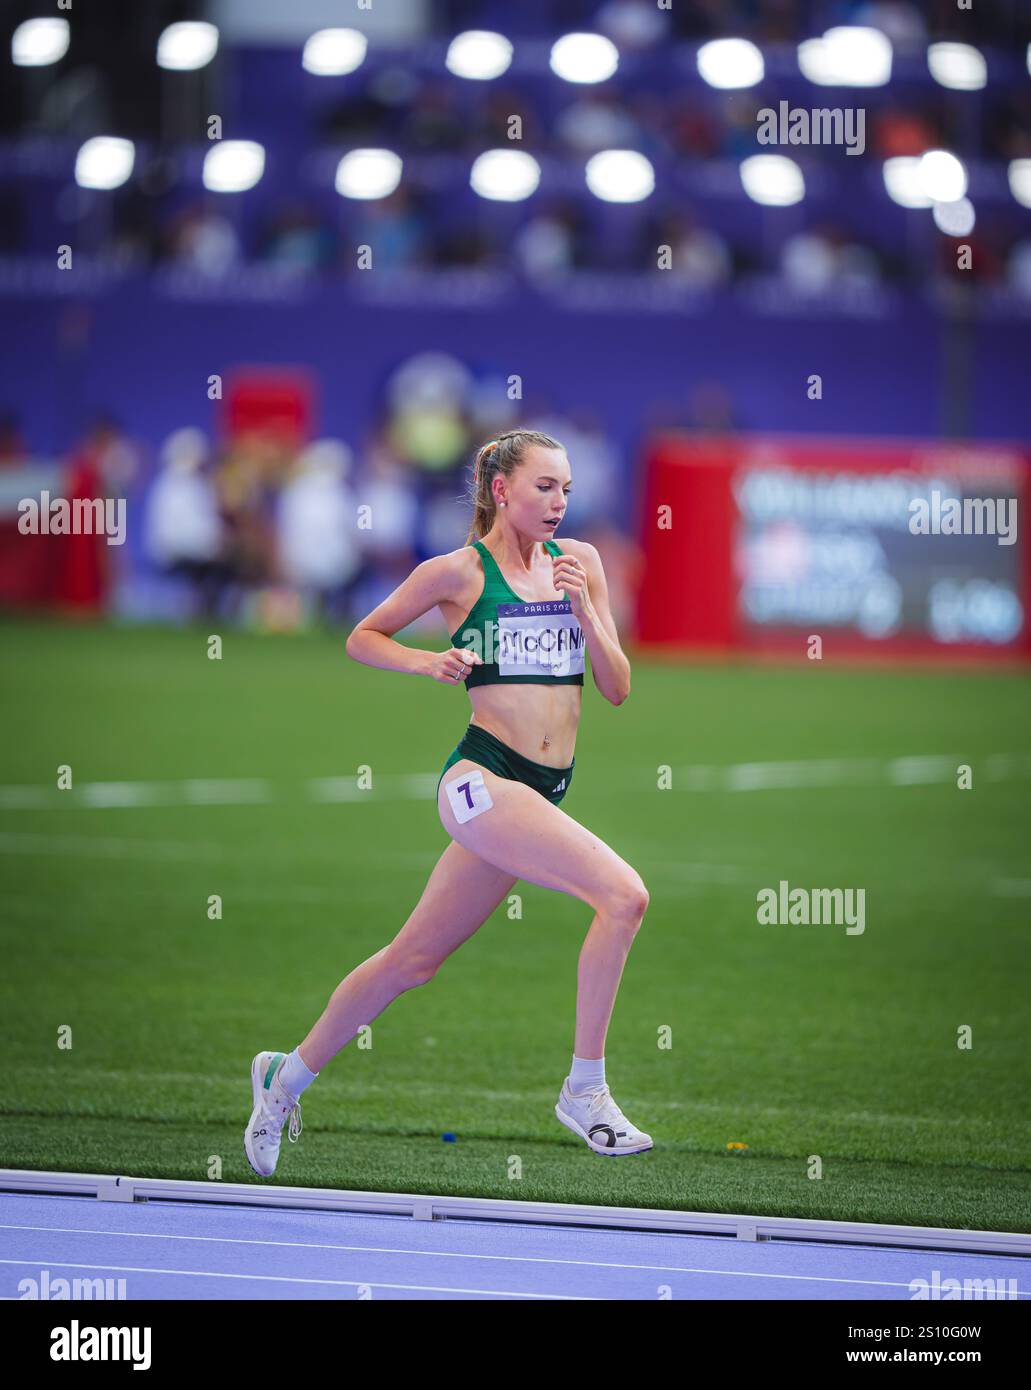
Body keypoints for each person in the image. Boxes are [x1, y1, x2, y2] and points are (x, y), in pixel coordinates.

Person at [244, 429, 652, 1178]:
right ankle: (583, 1090)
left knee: (413, 960)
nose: (558, 502)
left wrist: (589, 615)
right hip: (480, 780)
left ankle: (284, 1077)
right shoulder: (457, 572)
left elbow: (618, 687)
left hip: (539, 790)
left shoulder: (581, 564)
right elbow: (364, 636)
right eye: (543, 488)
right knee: (623, 898)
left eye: (565, 488)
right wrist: (427, 660)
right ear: (501, 490)